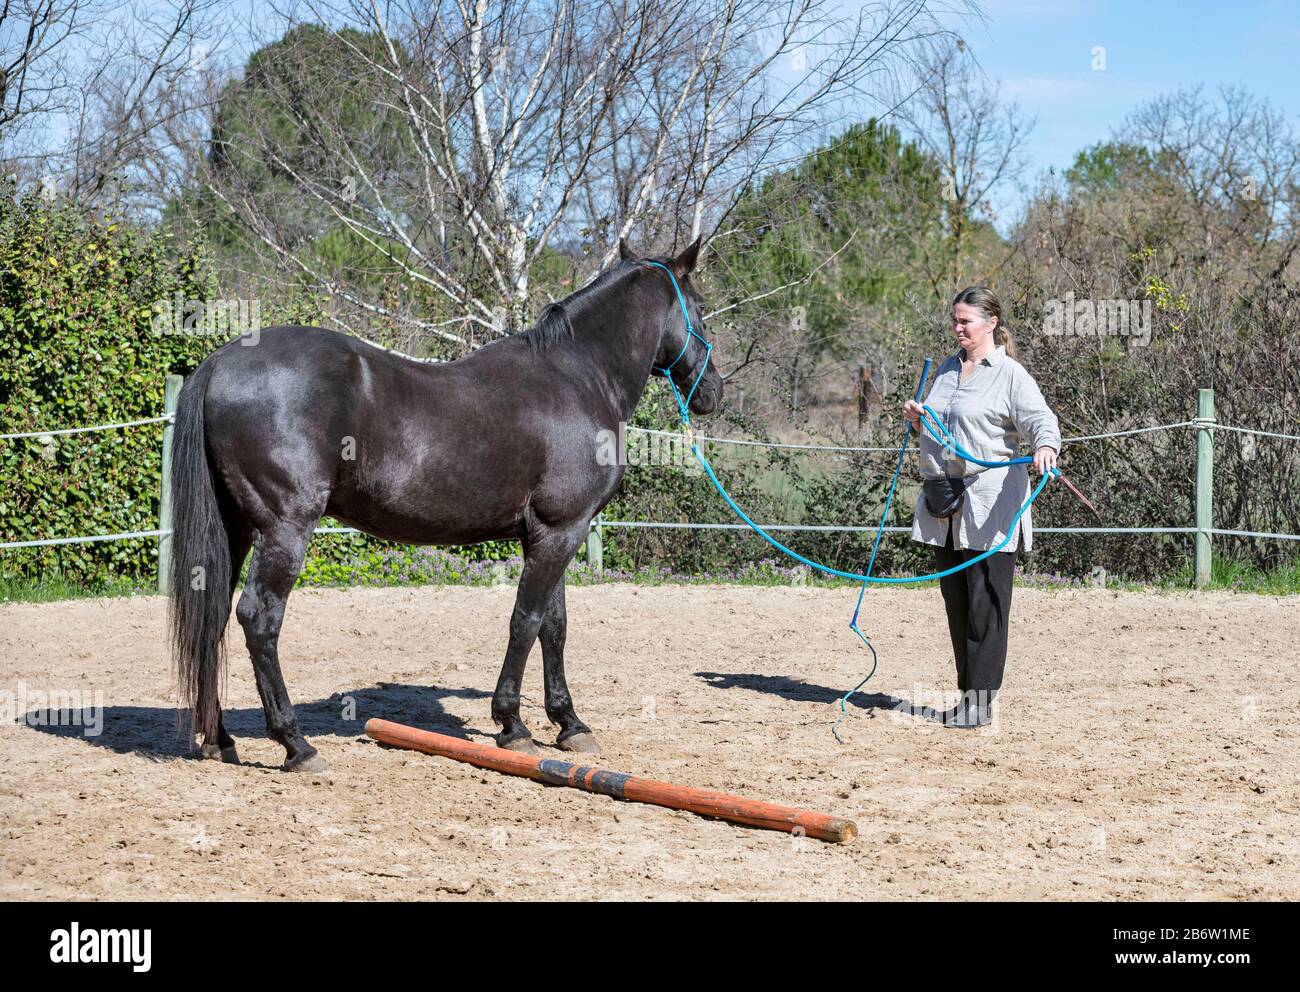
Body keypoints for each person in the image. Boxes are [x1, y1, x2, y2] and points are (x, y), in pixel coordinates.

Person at [902, 287, 1061, 729]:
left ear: (990, 323)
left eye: (965, 321)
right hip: (944, 503)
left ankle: (982, 701)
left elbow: (1040, 419)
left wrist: (1046, 445)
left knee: (985, 606)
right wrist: (919, 419)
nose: (957, 329)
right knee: (956, 604)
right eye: (954, 320)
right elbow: (939, 426)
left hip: (991, 507)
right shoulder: (948, 371)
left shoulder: (1010, 374)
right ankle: (967, 697)